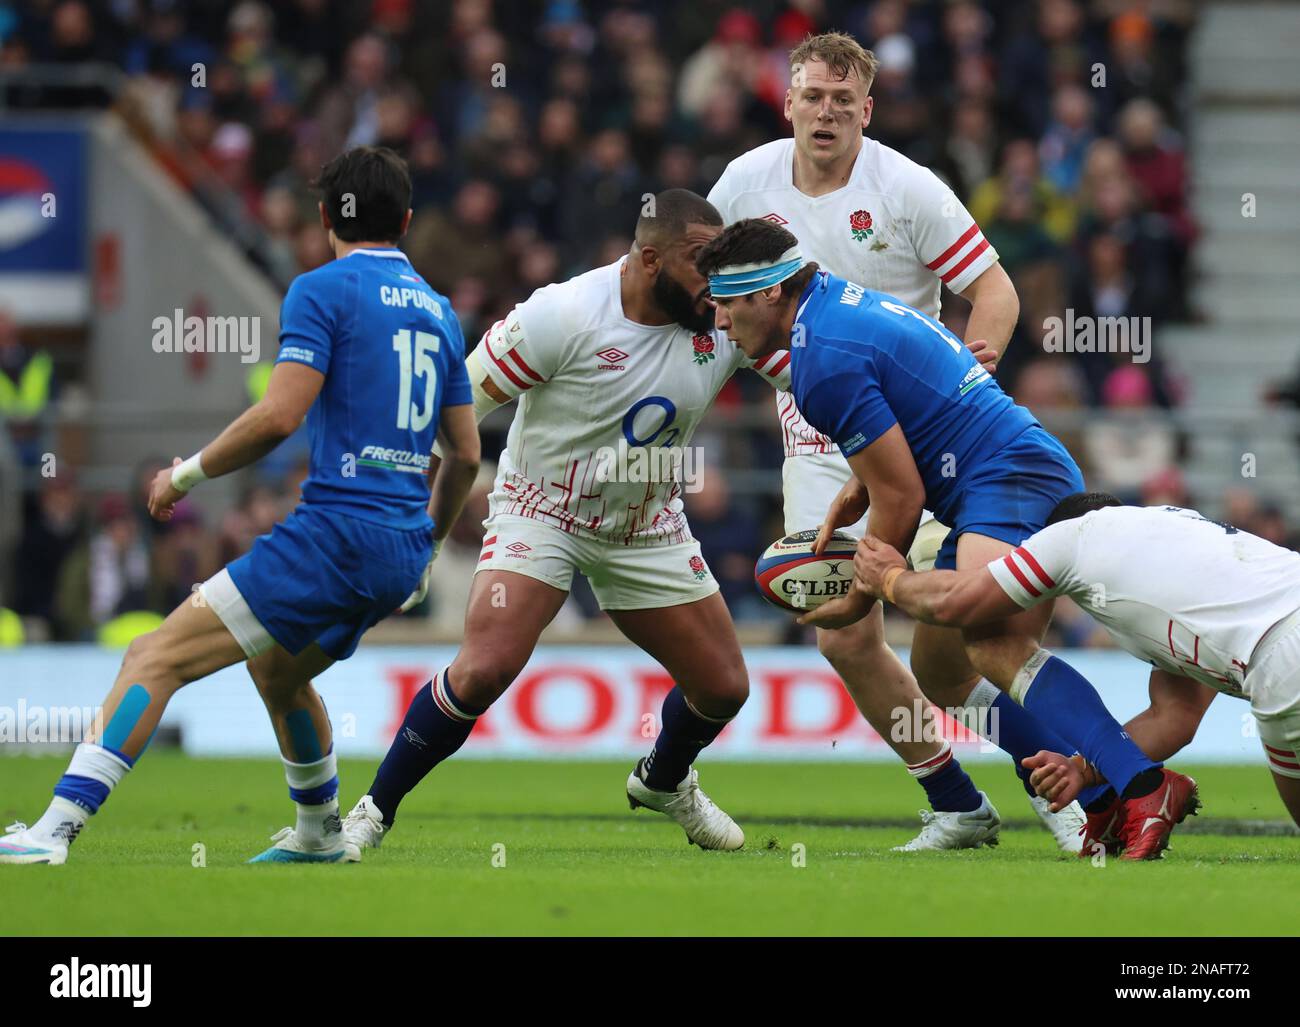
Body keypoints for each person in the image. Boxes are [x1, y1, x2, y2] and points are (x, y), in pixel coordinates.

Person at [1, 146, 480, 866]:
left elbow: (279, 416)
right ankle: (321, 832)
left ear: (324, 219)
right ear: (407, 220)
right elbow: (466, 454)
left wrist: (183, 475)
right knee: (280, 671)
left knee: (153, 655)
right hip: (400, 546)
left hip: (335, 535)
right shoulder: (441, 313)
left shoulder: (321, 290)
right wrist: (428, 549)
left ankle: (54, 831)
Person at [697, 216, 1193, 861]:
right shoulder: (836, 307)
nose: (722, 322)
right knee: (941, 671)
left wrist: (860, 597)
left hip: (1011, 477)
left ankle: (1141, 784)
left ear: (769, 293)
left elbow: (902, 496)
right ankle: (1097, 802)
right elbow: (905, 438)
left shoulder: (819, 362)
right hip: (997, 476)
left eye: (729, 303)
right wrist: (861, 485)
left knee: (993, 642)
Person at [706, 32, 1084, 851]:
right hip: (818, 436)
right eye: (814, 96)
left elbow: (995, 290)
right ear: (789, 103)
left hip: (921, 445)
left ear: (867, 111)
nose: (828, 112)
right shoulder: (743, 183)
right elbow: (713, 300)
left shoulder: (907, 188)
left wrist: (972, 374)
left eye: (845, 101)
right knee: (843, 633)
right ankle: (956, 802)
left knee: (966, 635)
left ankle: (1059, 780)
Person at [342, 190, 790, 854]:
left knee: (724, 687)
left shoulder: (723, 321)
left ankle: (665, 780)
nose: (715, 283)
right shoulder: (563, 315)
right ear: (647, 259)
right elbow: (452, 414)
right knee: (484, 669)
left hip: (645, 520)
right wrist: (416, 524)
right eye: (702, 263)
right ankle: (370, 813)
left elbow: (812, 376)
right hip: (541, 509)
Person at [848, 493, 1299, 854]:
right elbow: (1174, 716)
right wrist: (1083, 770)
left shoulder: (1072, 536)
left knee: (992, 645)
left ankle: (1146, 791)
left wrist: (888, 579)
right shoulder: (1176, 533)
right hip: (1283, 623)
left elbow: (959, 603)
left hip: (1282, 657)